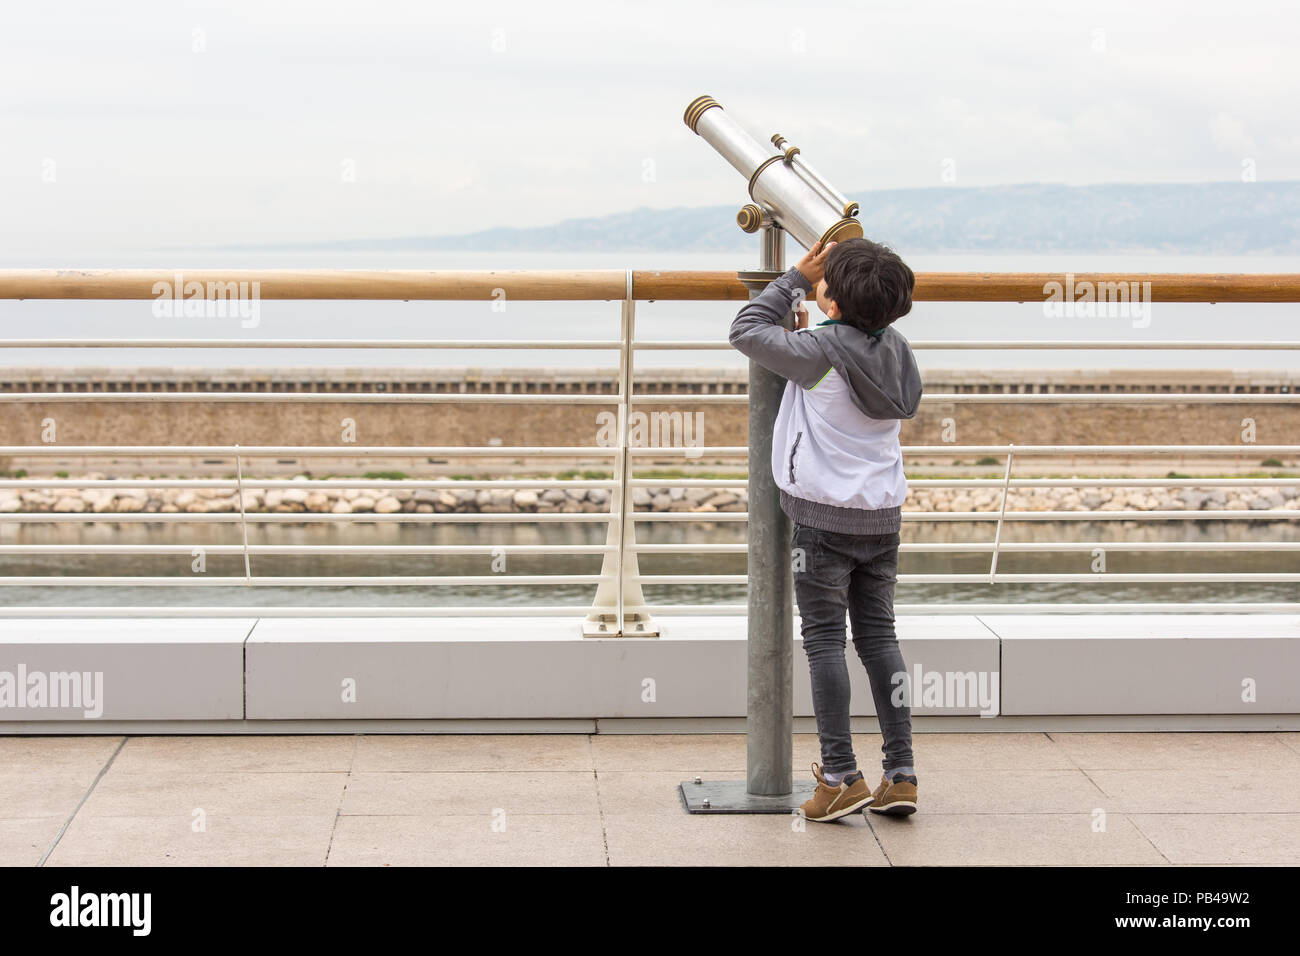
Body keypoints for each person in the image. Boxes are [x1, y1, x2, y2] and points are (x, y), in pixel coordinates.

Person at [728, 237, 923, 822]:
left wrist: (792, 277)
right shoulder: (898, 349)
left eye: (824, 284)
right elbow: (845, 350)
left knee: (823, 643)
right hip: (881, 516)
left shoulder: (817, 351)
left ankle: (839, 776)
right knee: (879, 638)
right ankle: (901, 774)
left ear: (832, 303)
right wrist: (811, 332)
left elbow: (745, 330)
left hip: (821, 522)